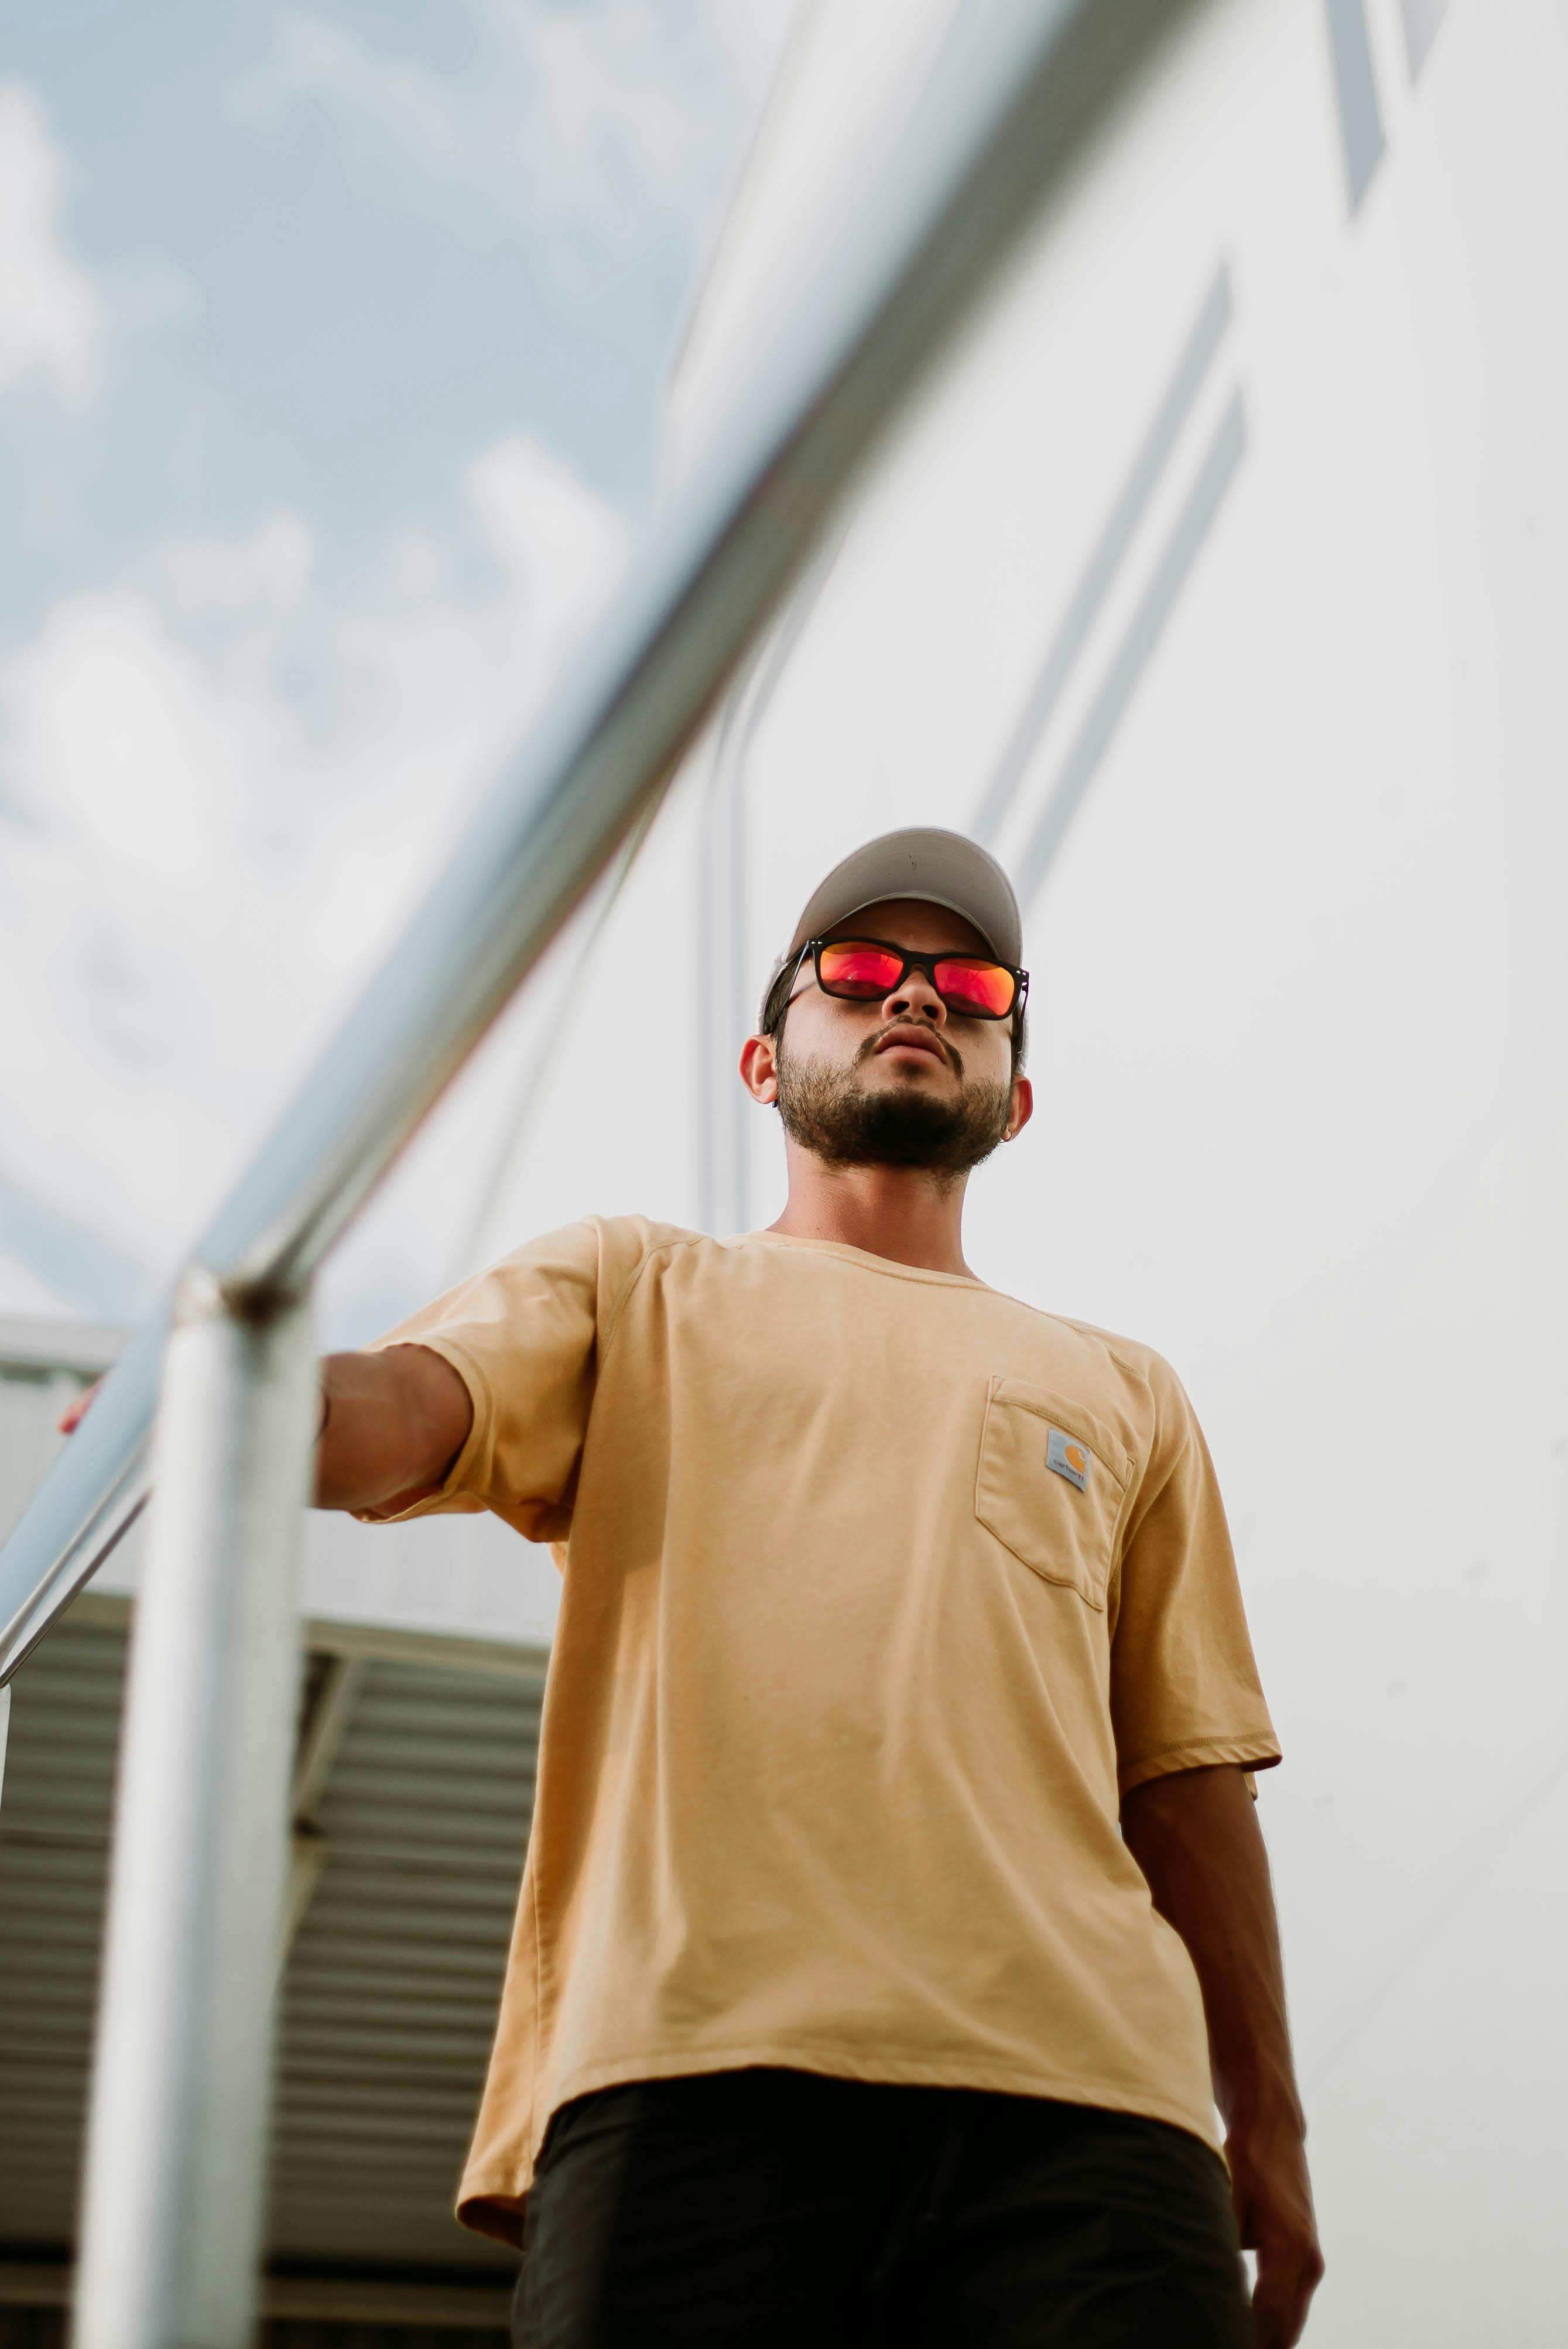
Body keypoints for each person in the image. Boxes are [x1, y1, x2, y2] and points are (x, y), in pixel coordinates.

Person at [313, 828, 1323, 2348]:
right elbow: (409, 1406)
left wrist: (1274, 2126)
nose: (913, 998)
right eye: (856, 971)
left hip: (1091, 2115)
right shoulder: (634, 1286)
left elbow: (1188, 1782)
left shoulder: (1125, 1389)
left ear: (1016, 1094)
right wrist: (231, 1396)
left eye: (968, 985)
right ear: (764, 1059)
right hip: (695, 2069)